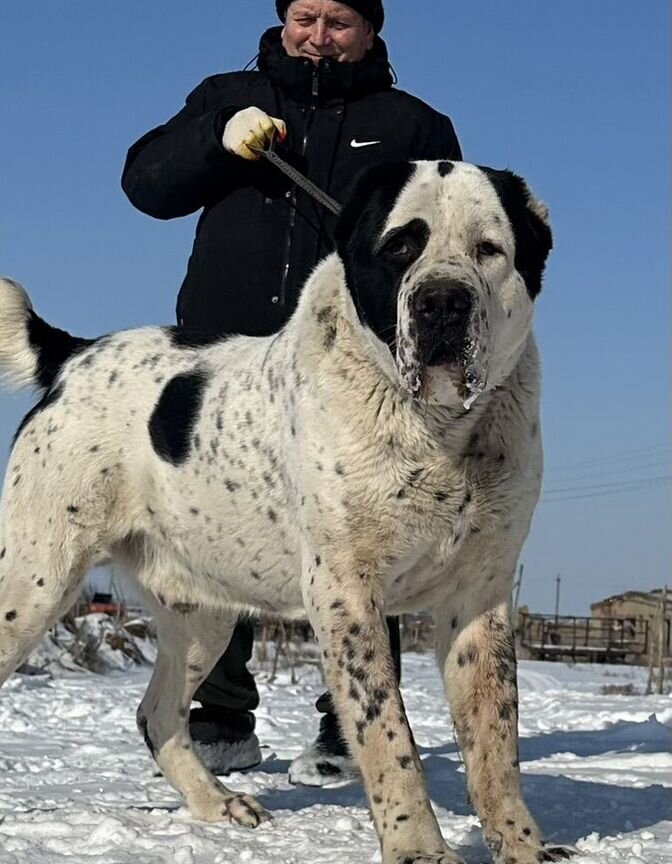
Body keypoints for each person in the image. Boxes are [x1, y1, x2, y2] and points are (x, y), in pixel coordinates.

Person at [121, 0, 461, 786]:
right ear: (281, 21)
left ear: (372, 30)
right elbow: (146, 184)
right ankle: (218, 717)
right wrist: (216, 138)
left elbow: (446, 238)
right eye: (303, 17)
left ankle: (355, 725)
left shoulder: (413, 125)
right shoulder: (226, 94)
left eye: (338, 21)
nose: (318, 36)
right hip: (226, 362)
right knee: (223, 529)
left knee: (368, 543)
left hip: (356, 373)